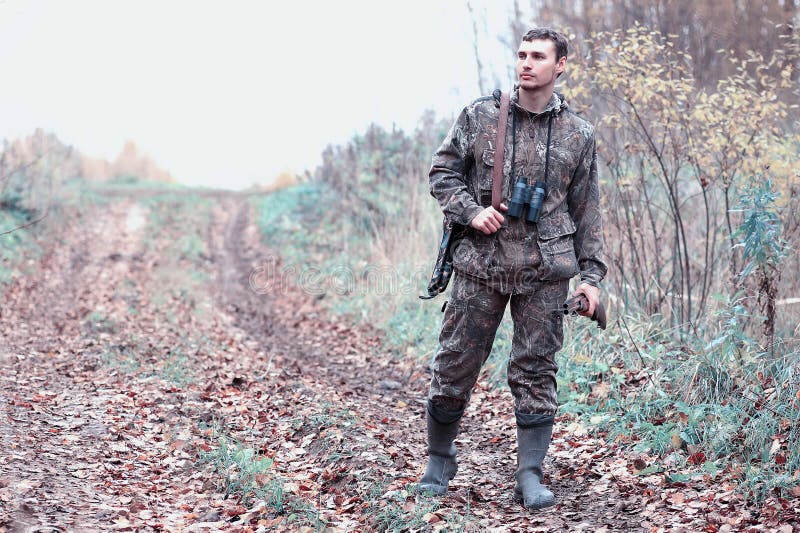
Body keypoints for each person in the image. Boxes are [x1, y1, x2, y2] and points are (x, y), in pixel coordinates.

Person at [419, 27, 607, 510]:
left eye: (538, 56)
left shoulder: (579, 134)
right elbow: (442, 172)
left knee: (536, 370)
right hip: (482, 264)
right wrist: (470, 211)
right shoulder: (481, 115)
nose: (526, 63)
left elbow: (587, 210)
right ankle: (439, 459)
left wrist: (591, 278)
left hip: (546, 270)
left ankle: (529, 474)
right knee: (456, 361)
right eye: (522, 55)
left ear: (560, 65)